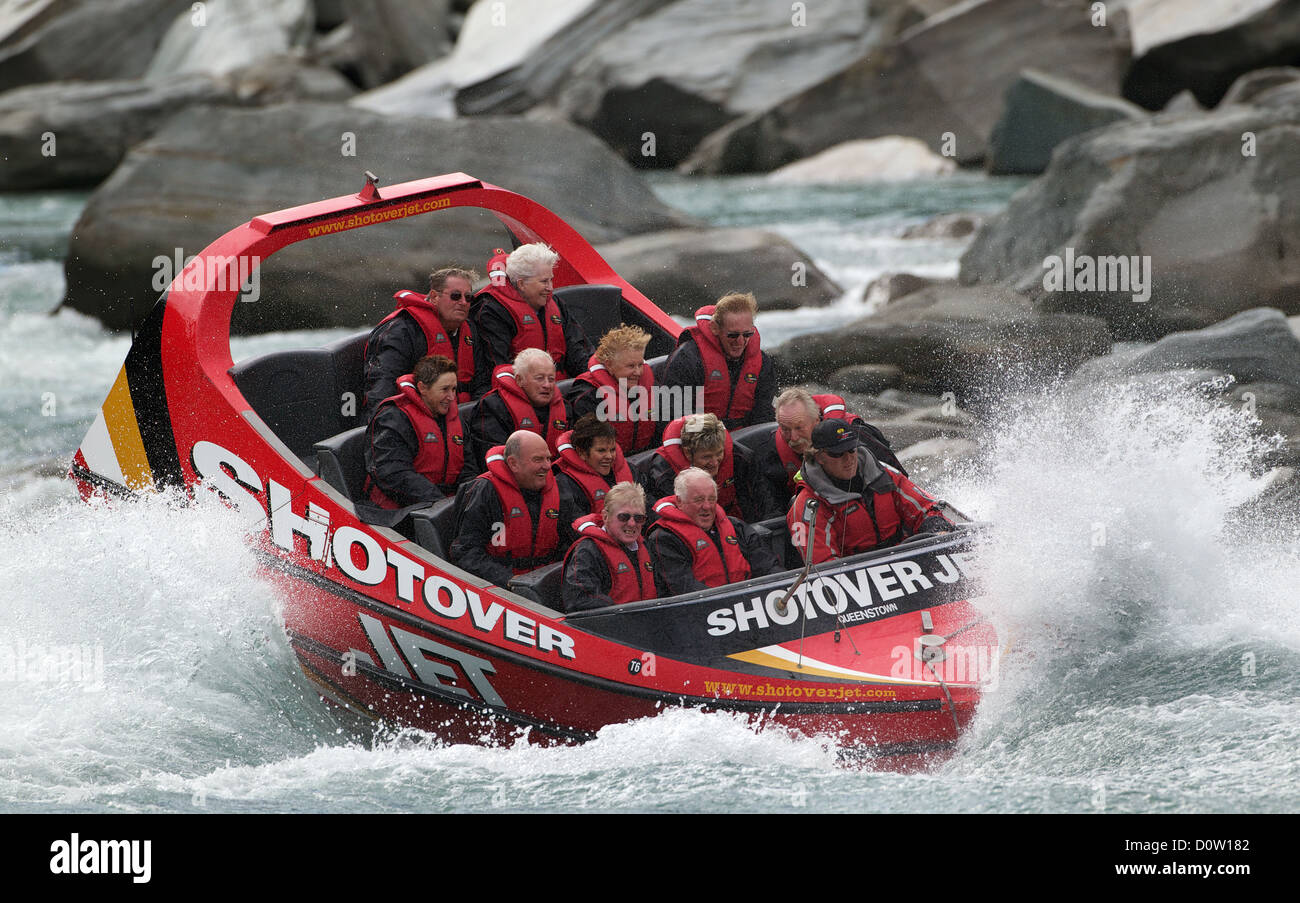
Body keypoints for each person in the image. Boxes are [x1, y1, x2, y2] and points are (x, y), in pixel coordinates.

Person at [787, 420, 954, 565]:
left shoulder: (884, 474)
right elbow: (822, 568)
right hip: (853, 583)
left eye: (851, 449)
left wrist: (939, 529)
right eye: (838, 454)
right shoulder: (806, 508)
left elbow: (925, 508)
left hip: (907, 561)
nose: (849, 459)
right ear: (819, 457)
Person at [449, 430, 581, 586]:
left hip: (548, 582)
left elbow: (575, 541)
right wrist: (509, 581)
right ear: (513, 463)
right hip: (502, 587)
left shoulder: (559, 489)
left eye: (548, 459)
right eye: (538, 460)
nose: (547, 466)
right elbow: (465, 552)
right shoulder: (484, 491)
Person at [745, 387, 904, 510]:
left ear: (816, 421)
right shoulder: (771, 454)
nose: (792, 438)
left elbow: (900, 477)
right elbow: (772, 510)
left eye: (800, 428)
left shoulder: (853, 435)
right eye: (785, 429)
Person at [362, 266, 481, 418]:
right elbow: (382, 388)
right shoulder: (401, 332)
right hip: (411, 421)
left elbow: (482, 383)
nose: (463, 302)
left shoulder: (471, 331)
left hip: (461, 421)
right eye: (456, 296)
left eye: (469, 297)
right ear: (434, 296)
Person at [648, 468, 781, 596]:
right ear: (680, 502)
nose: (707, 507)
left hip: (750, 604)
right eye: (699, 500)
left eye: (711, 499)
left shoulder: (736, 526)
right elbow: (683, 588)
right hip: (704, 612)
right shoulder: (665, 538)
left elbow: (768, 565)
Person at [363, 355, 473, 508]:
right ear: (422, 388)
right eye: (445, 389)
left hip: (444, 504)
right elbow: (393, 473)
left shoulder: (455, 419)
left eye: (454, 389)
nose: (451, 397)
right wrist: (439, 503)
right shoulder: (393, 418)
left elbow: (468, 469)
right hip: (398, 511)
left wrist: (469, 500)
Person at [660, 291, 777, 430]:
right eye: (732, 335)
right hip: (697, 440)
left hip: (743, 439)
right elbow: (670, 416)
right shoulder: (687, 359)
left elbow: (764, 416)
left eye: (747, 334)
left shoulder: (762, 362)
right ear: (715, 328)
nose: (740, 342)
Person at [474, 242, 591, 380]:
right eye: (544, 281)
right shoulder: (493, 311)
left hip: (561, 386)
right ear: (521, 284)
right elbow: (498, 366)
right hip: (520, 390)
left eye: (551, 280)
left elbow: (577, 351)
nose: (550, 288)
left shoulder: (556, 305)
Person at [642, 413, 774, 523]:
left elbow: (764, 498)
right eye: (706, 457)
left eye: (719, 454)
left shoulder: (741, 458)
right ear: (688, 452)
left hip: (732, 521)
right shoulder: (663, 472)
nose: (715, 462)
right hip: (689, 527)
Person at [561, 481, 656, 612]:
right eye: (624, 517)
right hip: (610, 626)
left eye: (639, 518)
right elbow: (580, 599)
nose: (632, 524)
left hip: (650, 622)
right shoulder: (588, 551)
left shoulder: (645, 546)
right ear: (605, 516)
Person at [567, 324, 660, 455]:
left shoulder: (651, 388)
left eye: (640, 365)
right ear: (609, 365)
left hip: (644, 459)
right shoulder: (587, 395)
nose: (638, 372)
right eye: (630, 366)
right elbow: (588, 450)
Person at [470, 347, 572, 467]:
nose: (547, 385)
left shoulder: (565, 409)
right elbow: (491, 458)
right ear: (519, 380)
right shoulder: (492, 408)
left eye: (551, 379)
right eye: (539, 378)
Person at [554, 414, 636, 518]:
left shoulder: (632, 471)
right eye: (601, 451)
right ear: (582, 453)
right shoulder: (564, 485)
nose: (609, 456)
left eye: (612, 450)